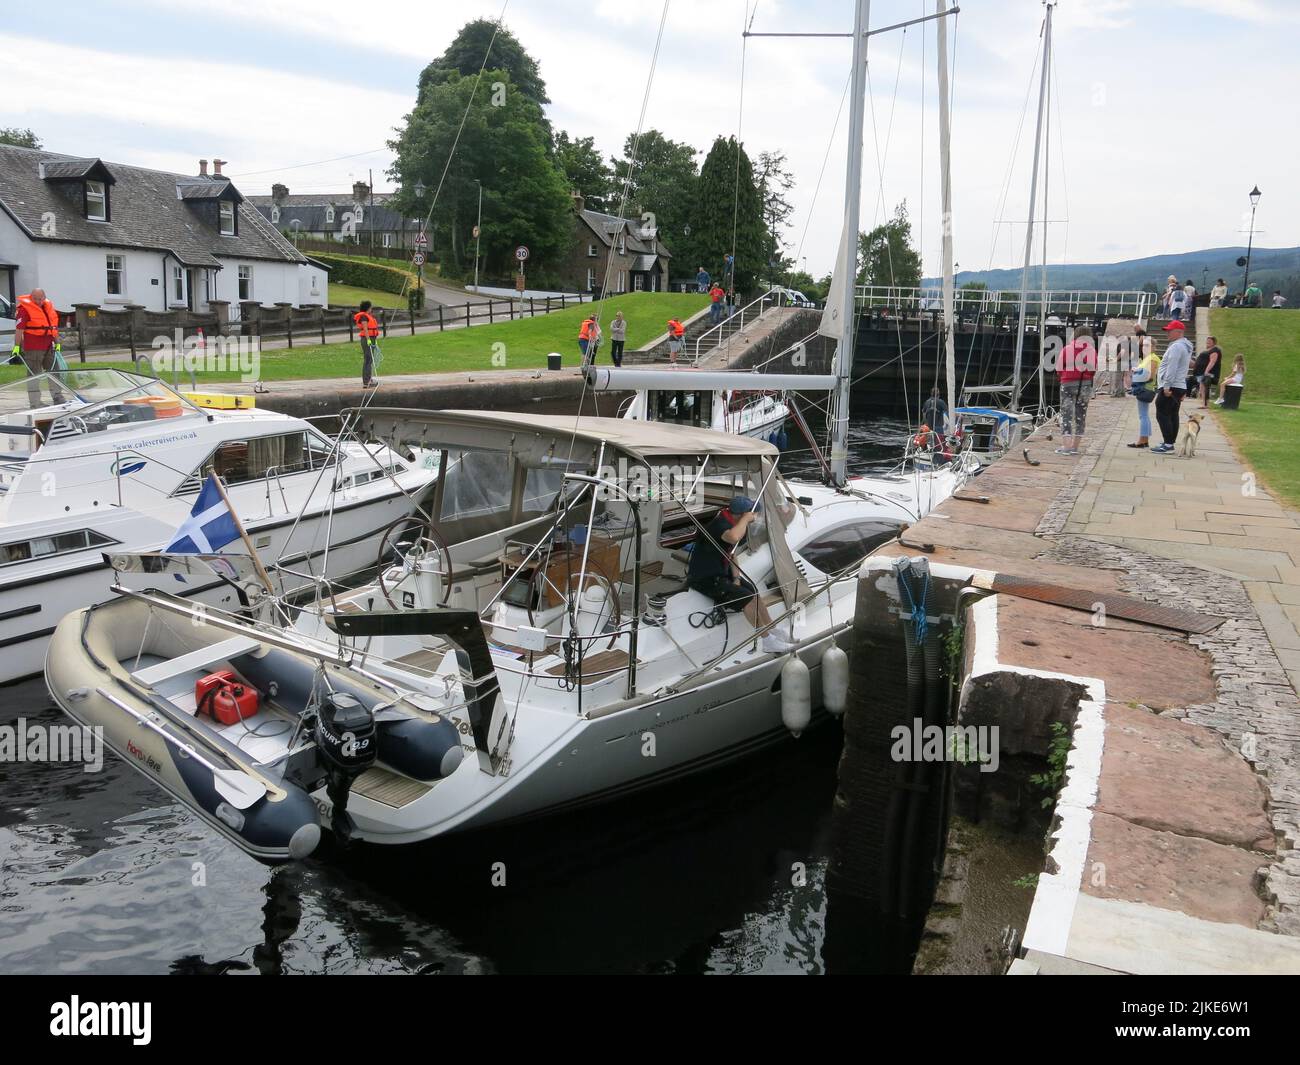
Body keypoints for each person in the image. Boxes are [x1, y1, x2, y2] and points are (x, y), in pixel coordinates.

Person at [687, 495, 794, 654]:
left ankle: (773, 630)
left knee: (754, 592)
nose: (754, 517)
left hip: (721, 572)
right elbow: (734, 537)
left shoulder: (732, 522)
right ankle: (767, 641)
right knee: (747, 599)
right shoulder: (721, 525)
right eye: (751, 514)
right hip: (705, 578)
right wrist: (745, 520)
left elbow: (732, 552)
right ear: (742, 514)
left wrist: (736, 578)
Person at [13, 288, 68, 406]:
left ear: (44, 298)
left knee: (54, 371)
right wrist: (16, 346)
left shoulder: (47, 307)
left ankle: (57, 396)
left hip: (49, 345)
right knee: (34, 374)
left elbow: (53, 327)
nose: (38, 301)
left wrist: (57, 342)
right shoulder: (24, 309)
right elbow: (19, 330)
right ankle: (35, 402)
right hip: (33, 347)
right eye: (35, 299)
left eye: (40, 299)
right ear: (31, 297)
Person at [1152, 320, 1193, 454]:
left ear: (1179, 332)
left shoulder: (1176, 347)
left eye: (1170, 330)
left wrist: (1166, 386)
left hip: (1171, 384)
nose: (1167, 333)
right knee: (1173, 414)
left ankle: (1168, 443)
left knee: (1162, 413)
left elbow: (1172, 367)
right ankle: (1170, 442)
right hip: (1179, 384)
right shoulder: (1186, 346)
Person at [1055, 326, 1097, 456]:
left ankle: (1066, 446)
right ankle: (1075, 447)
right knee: (1081, 415)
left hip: (1067, 383)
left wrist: (1064, 376)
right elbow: (1093, 369)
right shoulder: (1091, 350)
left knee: (1066, 414)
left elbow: (1059, 368)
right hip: (1084, 385)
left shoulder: (1067, 349)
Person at [1123, 330, 1161, 448]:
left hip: (1146, 388)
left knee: (1143, 415)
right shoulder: (1147, 358)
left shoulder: (1153, 358)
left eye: (1147, 345)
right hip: (1143, 388)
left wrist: (1137, 374)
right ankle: (1144, 439)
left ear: (1154, 347)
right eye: (1143, 345)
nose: (1144, 347)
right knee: (1144, 414)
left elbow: (1150, 375)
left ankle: (1142, 440)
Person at [352, 301, 380, 389]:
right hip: (367, 339)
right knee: (368, 359)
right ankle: (366, 381)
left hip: (372, 338)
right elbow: (365, 329)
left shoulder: (368, 316)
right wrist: (368, 340)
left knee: (370, 359)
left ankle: (369, 379)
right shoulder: (364, 317)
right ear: (367, 308)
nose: (371, 309)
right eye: (370, 307)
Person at [1193, 335, 1222, 409]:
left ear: (1214, 342)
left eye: (1210, 341)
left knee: (1205, 387)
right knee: (1202, 387)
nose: (1208, 342)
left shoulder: (1215, 351)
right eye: (1207, 341)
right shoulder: (1209, 350)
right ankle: (1204, 404)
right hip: (1202, 373)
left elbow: (1212, 362)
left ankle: (1206, 404)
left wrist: (1206, 371)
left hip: (1209, 373)